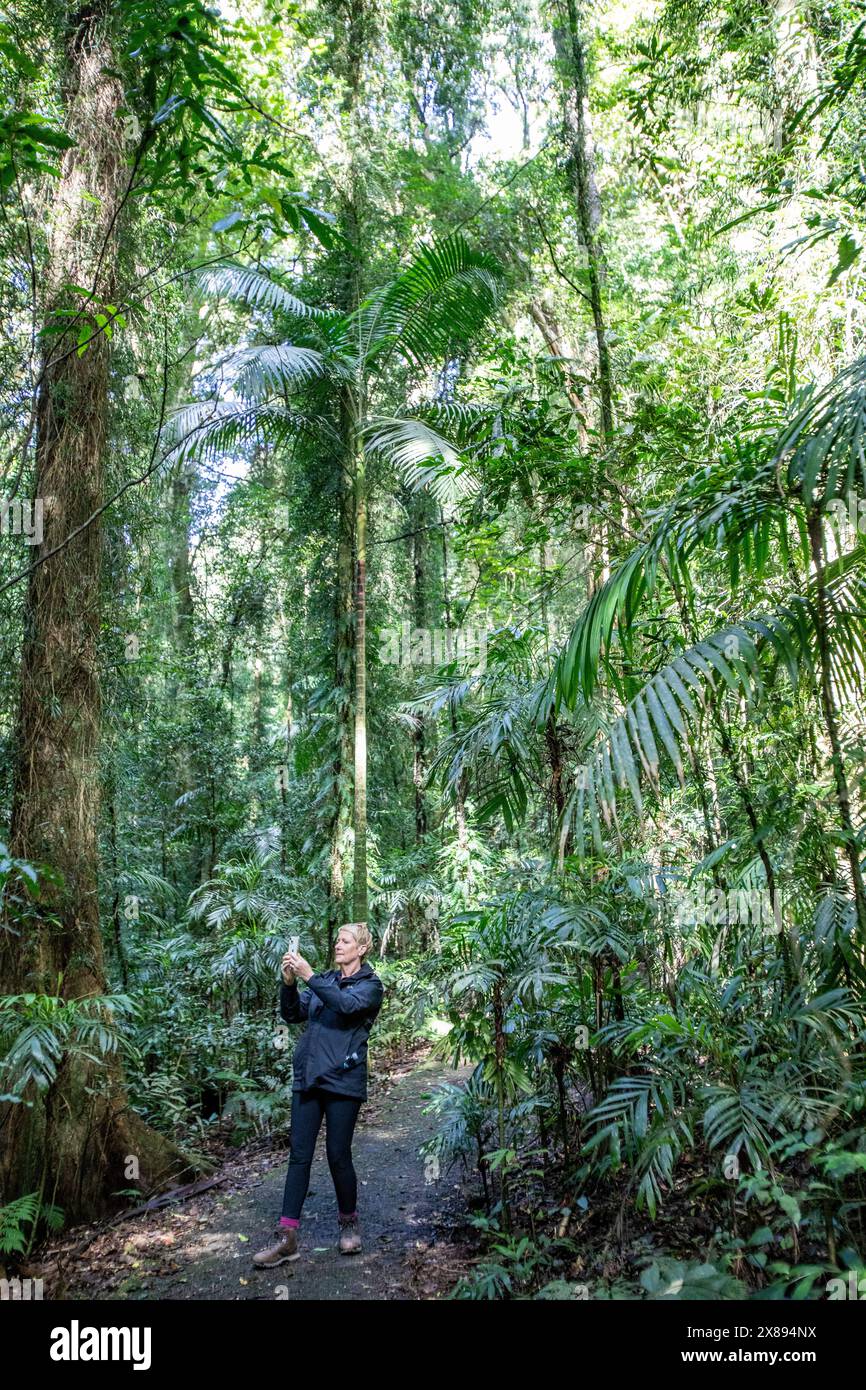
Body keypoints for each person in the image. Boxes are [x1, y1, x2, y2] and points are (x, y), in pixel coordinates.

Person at [252, 922, 384, 1267]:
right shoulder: (325, 979)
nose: (338, 945)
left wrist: (310, 976)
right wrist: (289, 983)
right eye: (337, 941)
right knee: (299, 1155)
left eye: (346, 941)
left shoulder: (370, 986)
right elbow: (293, 1013)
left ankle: (349, 1223)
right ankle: (287, 1238)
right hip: (308, 1079)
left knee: (338, 1154)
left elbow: (344, 1006)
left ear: (362, 948)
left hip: (343, 1081)